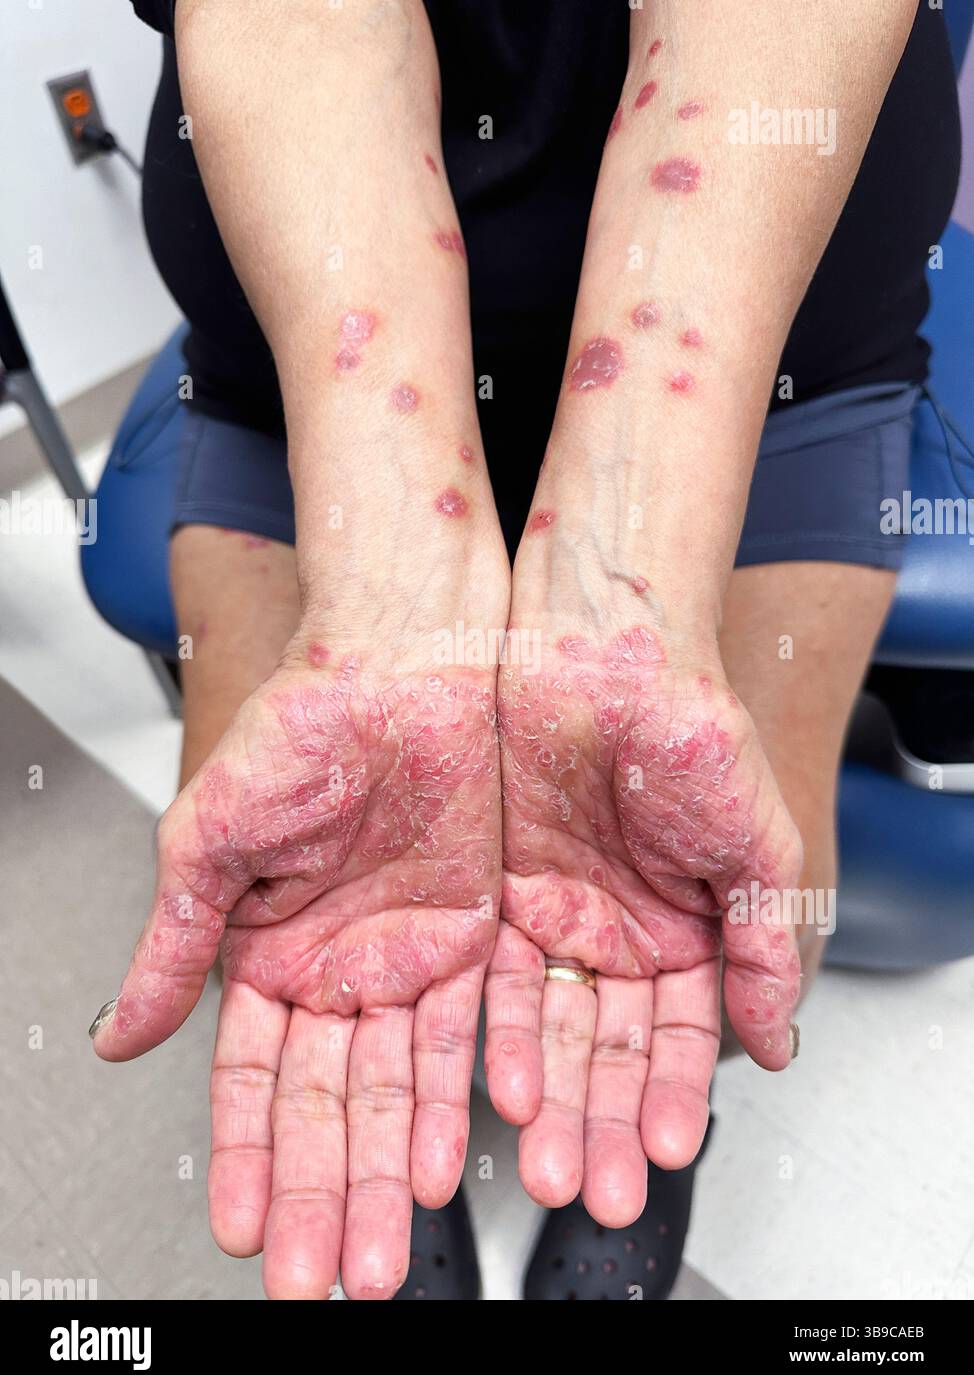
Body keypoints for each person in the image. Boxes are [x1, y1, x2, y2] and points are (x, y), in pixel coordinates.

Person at [89, 0, 959, 1299]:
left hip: (761, 292)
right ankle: (418, 1154)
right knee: (293, 879)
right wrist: (390, 587)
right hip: (303, 295)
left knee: (730, 900)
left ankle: (653, 1142)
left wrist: (631, 579)